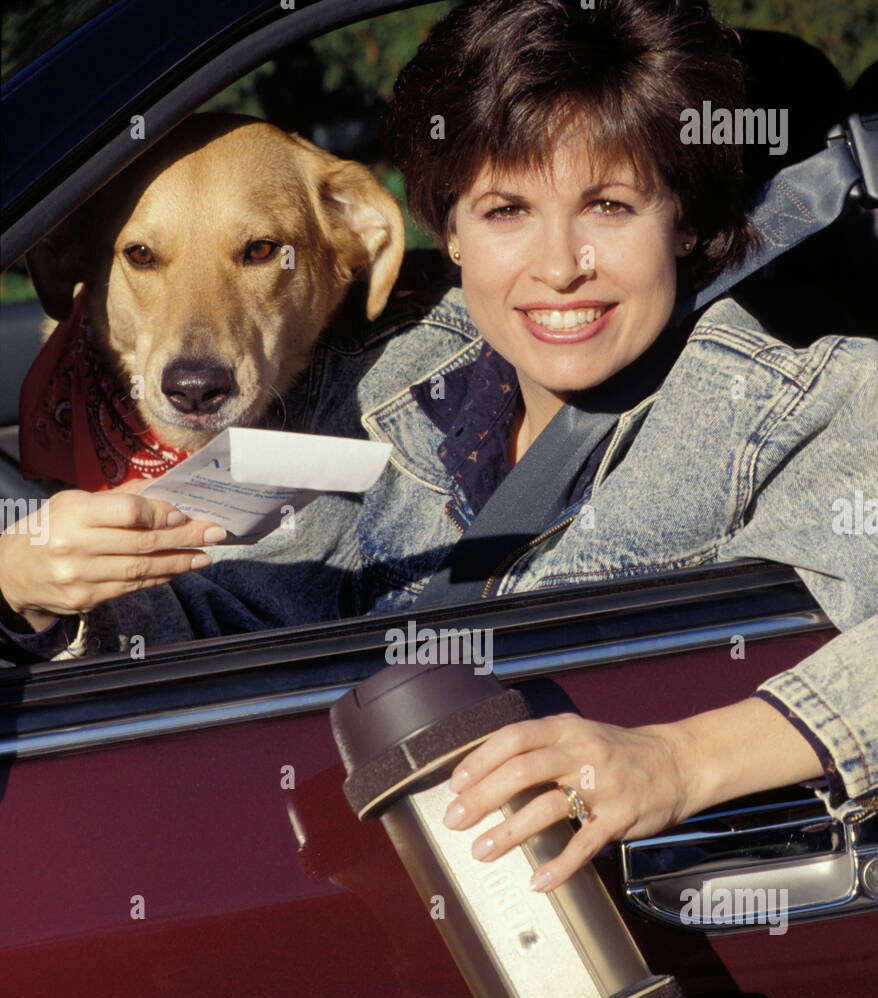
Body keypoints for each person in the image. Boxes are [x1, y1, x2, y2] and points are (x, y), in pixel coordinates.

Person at [1, 0, 876, 896]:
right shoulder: (387, 391)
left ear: (683, 221)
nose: (559, 263)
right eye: (507, 210)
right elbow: (238, 625)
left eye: (609, 205)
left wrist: (683, 760)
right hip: (378, 907)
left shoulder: (796, 406)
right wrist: (28, 588)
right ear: (448, 230)